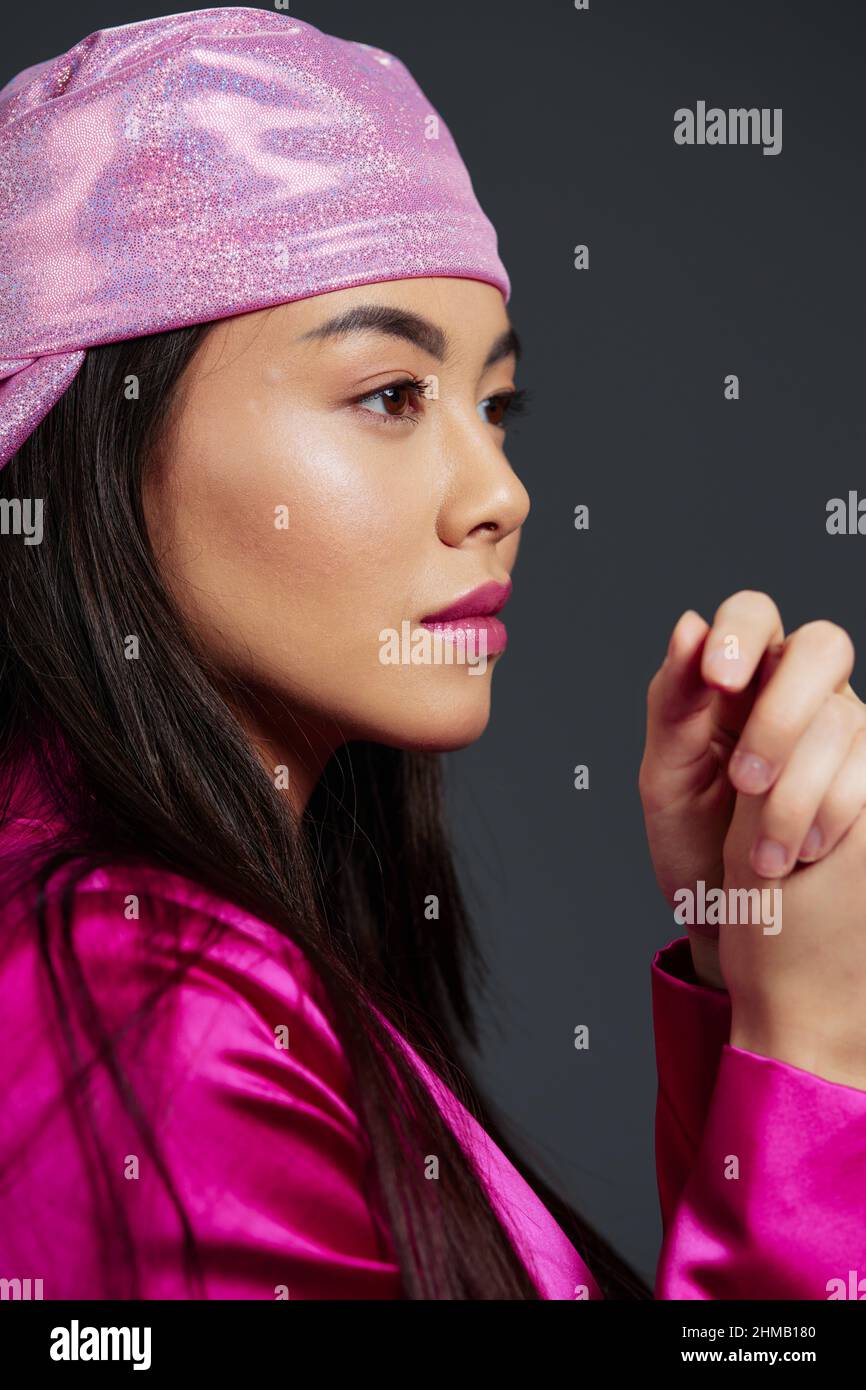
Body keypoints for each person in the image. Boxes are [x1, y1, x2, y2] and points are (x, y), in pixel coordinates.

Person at [0, 7, 864, 1302]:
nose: (499, 491)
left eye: (493, 403)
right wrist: (813, 1053)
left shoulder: (201, 954)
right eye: (391, 394)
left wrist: (735, 962)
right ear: (103, 439)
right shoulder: (145, 999)